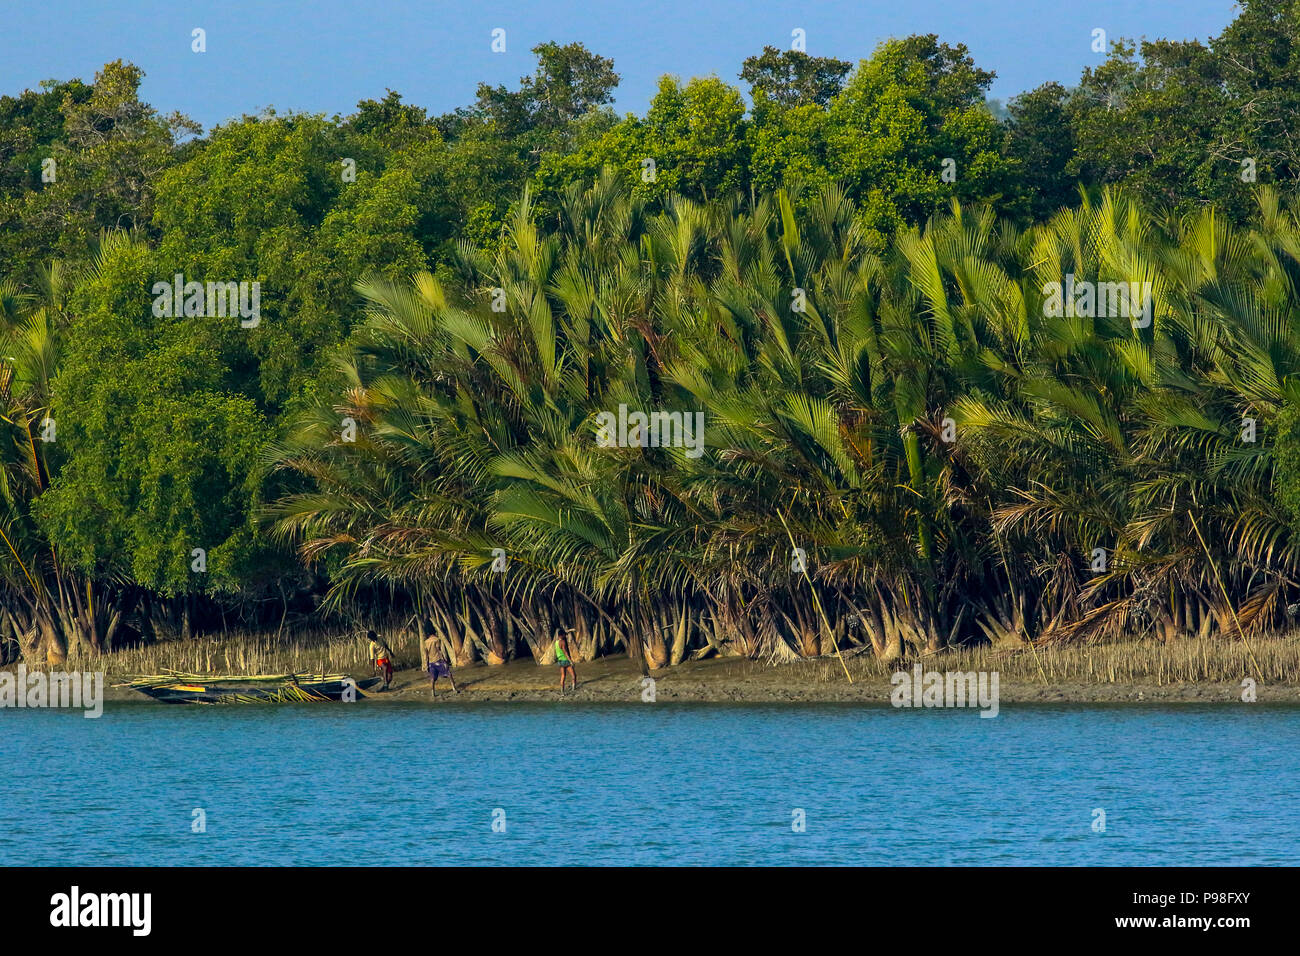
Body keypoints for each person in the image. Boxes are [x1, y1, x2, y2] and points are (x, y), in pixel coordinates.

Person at [422, 627, 459, 697]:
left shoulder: (426, 642)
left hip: (431, 662)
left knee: (432, 678)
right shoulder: (437, 640)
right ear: (434, 632)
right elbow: (439, 650)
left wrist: (426, 664)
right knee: (449, 674)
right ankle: (454, 689)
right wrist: (444, 660)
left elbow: (426, 654)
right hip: (438, 660)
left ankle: (433, 693)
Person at [553, 626, 578, 695]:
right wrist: (571, 661)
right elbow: (565, 652)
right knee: (574, 675)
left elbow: (563, 632)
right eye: (564, 635)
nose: (565, 635)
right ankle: (573, 689)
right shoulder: (563, 642)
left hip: (560, 661)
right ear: (562, 635)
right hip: (565, 660)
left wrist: (571, 630)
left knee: (563, 676)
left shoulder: (556, 642)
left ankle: (562, 692)